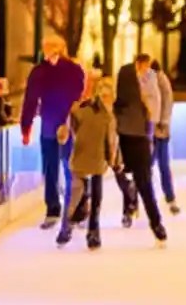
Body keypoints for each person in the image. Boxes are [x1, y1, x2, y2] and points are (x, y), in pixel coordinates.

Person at [20, 35, 86, 229]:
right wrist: (26, 126)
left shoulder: (73, 70)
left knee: (72, 168)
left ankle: (77, 207)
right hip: (49, 125)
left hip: (69, 125)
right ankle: (53, 208)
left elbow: (80, 97)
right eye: (47, 47)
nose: (50, 51)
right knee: (50, 168)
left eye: (54, 46)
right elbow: (30, 100)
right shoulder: (39, 72)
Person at [56, 77, 120, 250]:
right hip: (97, 163)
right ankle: (93, 233)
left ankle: (65, 230)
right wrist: (113, 161)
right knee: (96, 200)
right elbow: (111, 143)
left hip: (80, 162)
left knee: (74, 198)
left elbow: (73, 127)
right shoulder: (108, 117)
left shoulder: (82, 109)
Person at [114, 53, 168, 246]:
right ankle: (130, 205)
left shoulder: (150, 80)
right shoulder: (126, 76)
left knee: (144, 182)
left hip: (140, 138)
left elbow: (158, 99)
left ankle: (156, 223)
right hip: (126, 135)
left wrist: (159, 121)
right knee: (123, 175)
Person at [151, 59, 180, 215]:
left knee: (160, 165)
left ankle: (170, 198)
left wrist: (162, 122)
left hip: (159, 131)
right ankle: (168, 198)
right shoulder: (157, 81)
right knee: (156, 165)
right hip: (155, 130)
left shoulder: (160, 82)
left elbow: (167, 103)